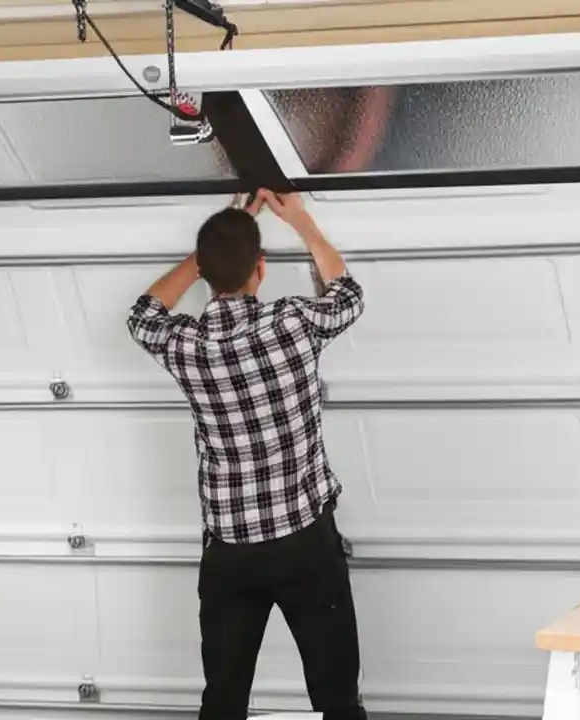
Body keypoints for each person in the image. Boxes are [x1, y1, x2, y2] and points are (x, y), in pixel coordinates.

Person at [126, 189, 368, 720]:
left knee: (224, 701)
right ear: (261, 268)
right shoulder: (292, 324)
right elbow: (347, 295)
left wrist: (211, 248)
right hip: (306, 542)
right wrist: (302, 223)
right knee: (337, 700)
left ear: (206, 274)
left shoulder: (188, 345)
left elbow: (143, 314)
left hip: (231, 551)